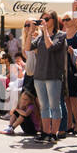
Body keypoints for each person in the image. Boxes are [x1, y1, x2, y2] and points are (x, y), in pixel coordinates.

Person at [22, 11, 67, 143]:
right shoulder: (40, 37)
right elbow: (27, 48)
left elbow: (50, 47)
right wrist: (30, 32)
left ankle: (54, 133)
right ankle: (46, 132)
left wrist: (45, 30)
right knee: (44, 106)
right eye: (42, 19)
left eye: (47, 18)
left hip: (53, 74)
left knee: (55, 105)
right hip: (39, 75)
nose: (44, 21)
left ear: (54, 20)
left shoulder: (60, 35)